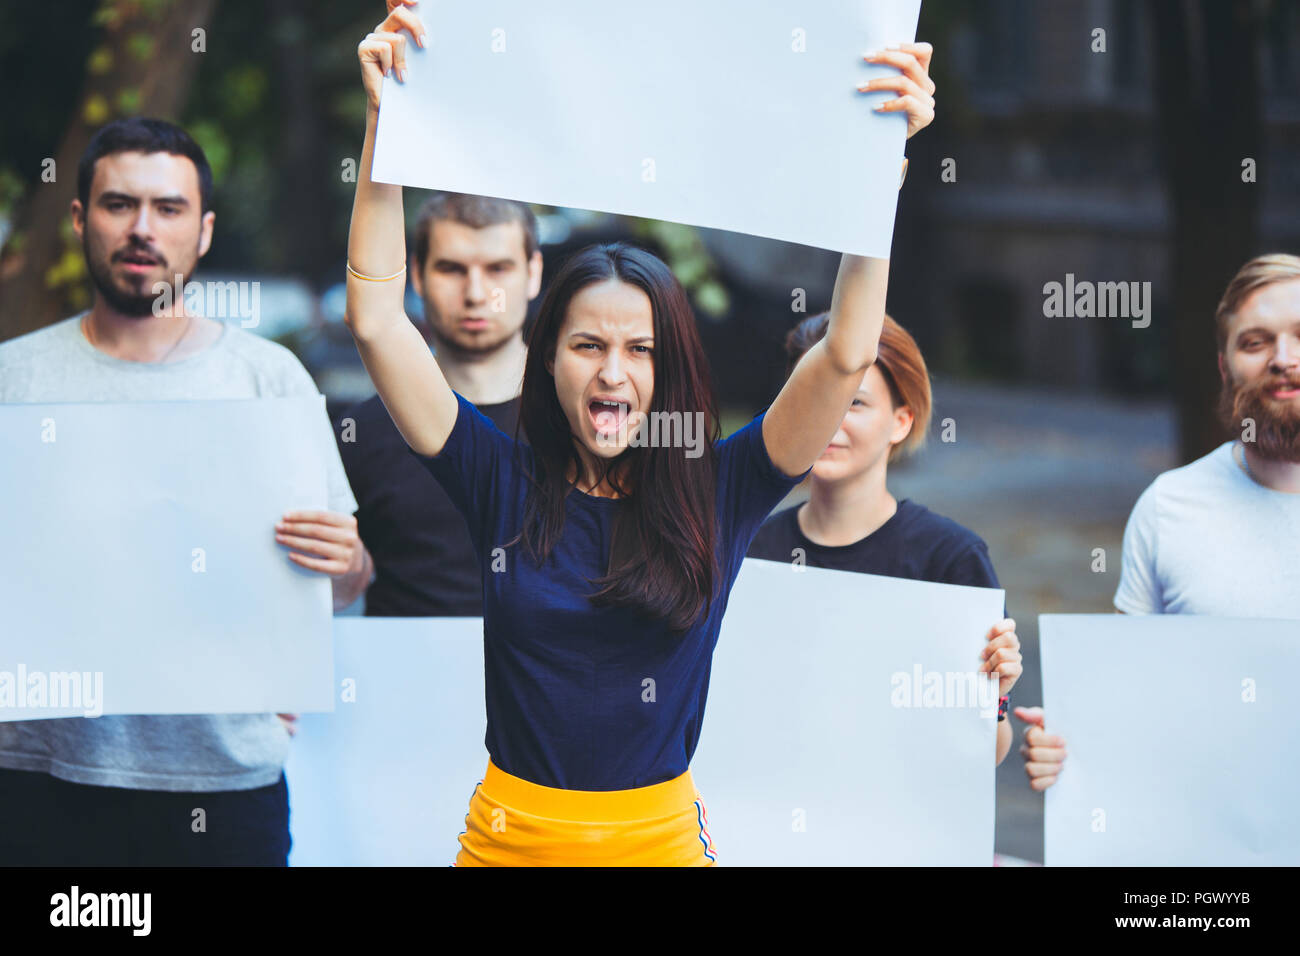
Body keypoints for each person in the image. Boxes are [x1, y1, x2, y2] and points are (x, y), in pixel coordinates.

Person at [346, 1, 936, 865]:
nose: (613, 372)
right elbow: (377, 324)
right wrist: (386, 129)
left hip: (657, 847)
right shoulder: (496, 476)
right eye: (587, 346)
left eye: (640, 350)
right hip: (508, 845)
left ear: (674, 372)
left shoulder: (723, 486)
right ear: (548, 363)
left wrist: (875, 169)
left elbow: (848, 351)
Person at [0, 117, 359, 866]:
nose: (142, 229)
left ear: (203, 232)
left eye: (168, 209)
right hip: (36, 777)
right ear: (78, 220)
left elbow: (346, 584)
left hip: (225, 784)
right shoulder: (13, 380)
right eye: (118, 204)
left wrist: (348, 560)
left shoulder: (269, 380)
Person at [1018, 253, 1300, 791]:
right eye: (1255, 341)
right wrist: (1072, 745)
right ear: (1224, 366)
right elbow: (1134, 700)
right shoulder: (1170, 508)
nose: (1283, 359)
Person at [747, 312, 1022, 764]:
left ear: (900, 422)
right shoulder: (750, 551)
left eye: (853, 402)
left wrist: (992, 697)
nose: (827, 418)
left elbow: (986, 754)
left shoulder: (949, 559)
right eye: (811, 395)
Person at [332, 192, 544, 616]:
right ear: (418, 276)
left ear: (533, 273)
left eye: (498, 268)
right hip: (398, 676)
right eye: (452, 269)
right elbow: (329, 590)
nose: (477, 293)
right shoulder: (361, 431)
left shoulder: (583, 424)